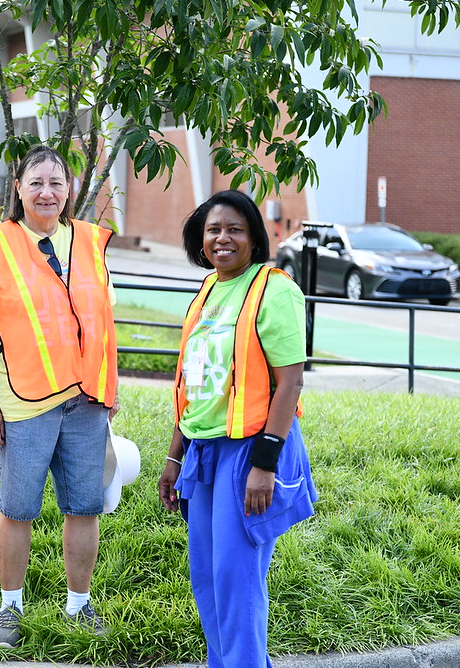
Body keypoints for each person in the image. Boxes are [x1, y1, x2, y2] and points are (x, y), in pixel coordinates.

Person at [158, 190, 318, 668]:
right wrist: (174, 456)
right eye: (214, 230)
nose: (222, 238)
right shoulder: (208, 290)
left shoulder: (273, 289)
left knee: (237, 580)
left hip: (250, 450)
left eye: (235, 229)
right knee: (208, 580)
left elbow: (291, 382)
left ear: (254, 238)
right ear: (200, 239)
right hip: (203, 451)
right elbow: (194, 386)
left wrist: (264, 464)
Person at [0, 144, 118, 649]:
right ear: (18, 189)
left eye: (56, 182)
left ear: (70, 189)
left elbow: (103, 321)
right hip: (22, 399)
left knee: (84, 506)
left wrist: (110, 385)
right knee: (17, 509)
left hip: (86, 401)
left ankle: (79, 606)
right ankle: (10, 607)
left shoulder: (91, 242)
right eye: (36, 183)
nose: (47, 192)